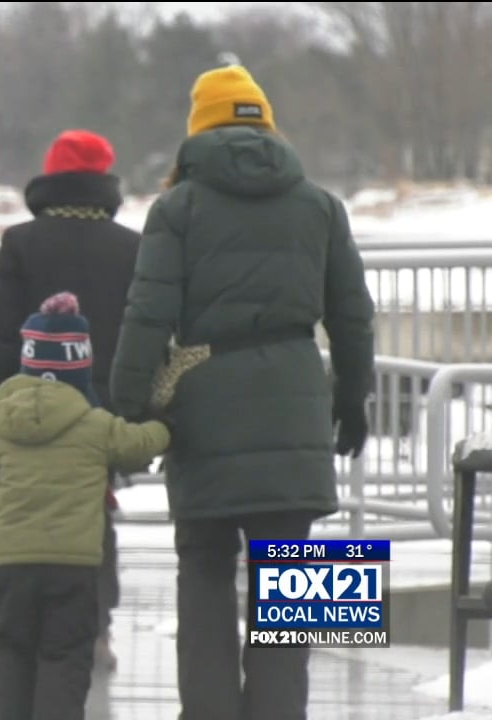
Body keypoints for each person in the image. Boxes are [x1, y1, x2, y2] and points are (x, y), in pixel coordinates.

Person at [109, 64, 375, 720]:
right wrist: (352, 399)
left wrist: (127, 404)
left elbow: (146, 315)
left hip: (204, 408)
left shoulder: (177, 208)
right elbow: (352, 315)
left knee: (202, 574)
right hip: (295, 399)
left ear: (198, 128)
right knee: (295, 587)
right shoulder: (319, 204)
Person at [0, 129, 142, 669]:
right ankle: (95, 627)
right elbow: (146, 333)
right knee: (96, 518)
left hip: (27, 410)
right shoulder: (132, 246)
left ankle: (25, 628)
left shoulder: (22, 244)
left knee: (28, 511)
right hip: (102, 409)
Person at [0, 292, 170, 720]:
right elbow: (139, 444)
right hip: (71, 567)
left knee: (12, 652)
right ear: (81, 367)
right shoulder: (95, 425)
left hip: (11, 564)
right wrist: (166, 423)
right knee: (64, 657)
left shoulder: (4, 425)